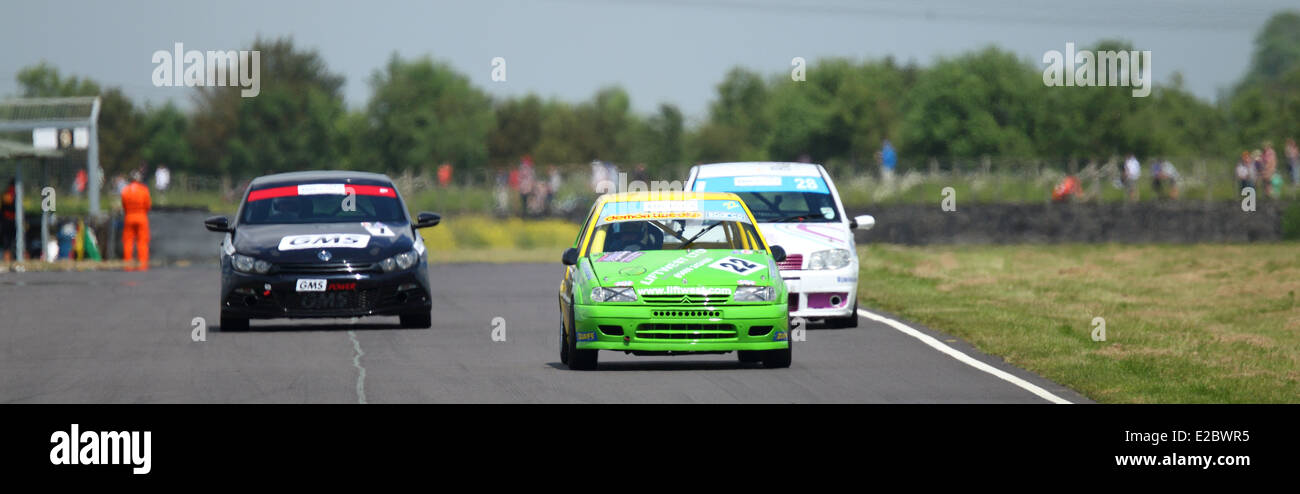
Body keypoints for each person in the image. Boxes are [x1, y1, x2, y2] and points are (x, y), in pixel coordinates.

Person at [120, 171, 152, 271]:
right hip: (141, 216)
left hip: (129, 217)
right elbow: (148, 205)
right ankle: (143, 264)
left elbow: (124, 205)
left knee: (128, 241)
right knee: (142, 241)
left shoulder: (125, 190)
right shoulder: (144, 190)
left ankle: (128, 264)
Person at [1, 179, 16, 262]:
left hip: (8, 220)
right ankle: (7, 258)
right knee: (8, 241)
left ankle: (8, 258)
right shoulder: (10, 193)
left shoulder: (8, 193)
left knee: (8, 241)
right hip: (9, 220)